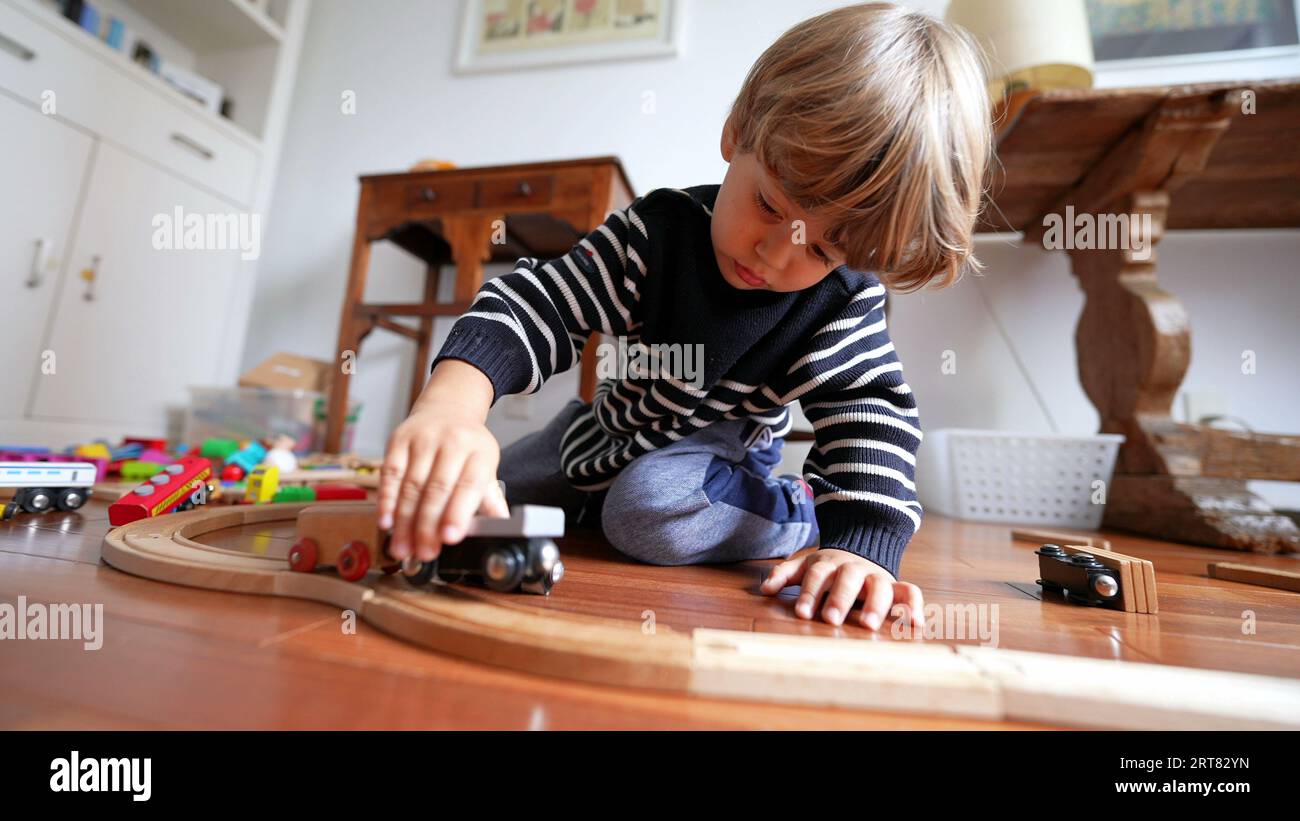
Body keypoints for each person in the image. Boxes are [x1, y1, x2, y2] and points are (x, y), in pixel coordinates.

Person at [378, 3, 991, 628]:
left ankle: (792, 508)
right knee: (489, 482)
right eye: (769, 206)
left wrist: (860, 542)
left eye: (824, 249)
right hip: (605, 430)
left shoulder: (841, 303)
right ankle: (593, 499)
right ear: (736, 132)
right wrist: (451, 408)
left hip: (716, 461)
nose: (775, 255)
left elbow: (873, 414)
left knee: (644, 510)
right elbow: (538, 302)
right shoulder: (655, 235)